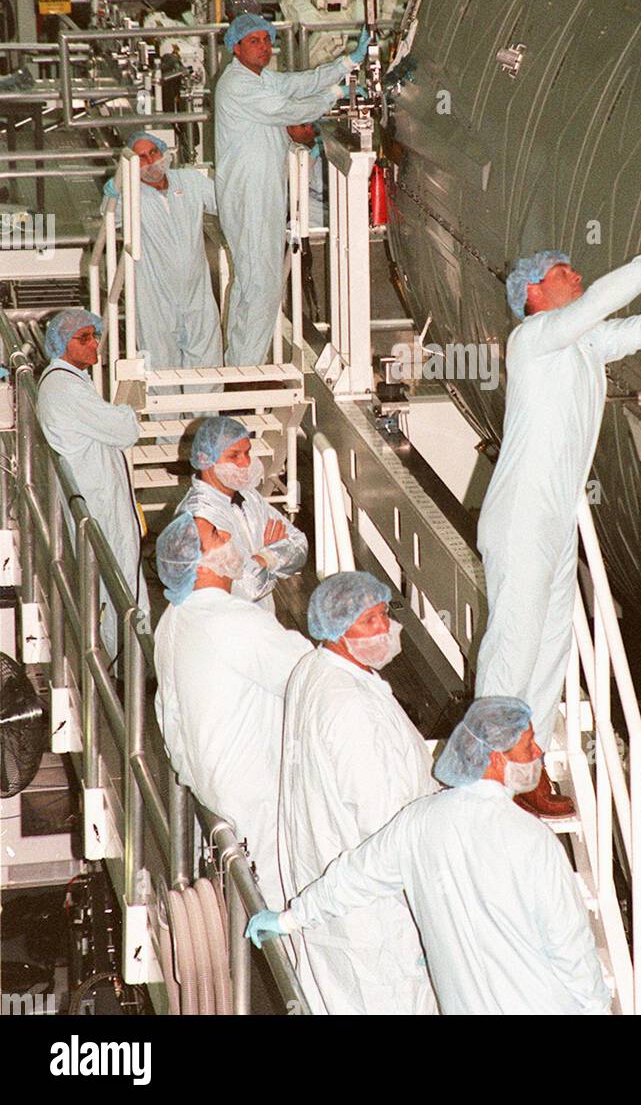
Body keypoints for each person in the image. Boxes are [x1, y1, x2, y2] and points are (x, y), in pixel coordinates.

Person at [475, 238, 641, 816]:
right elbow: (598, 306)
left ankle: (524, 772)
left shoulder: (578, 344)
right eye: (564, 271)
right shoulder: (533, 339)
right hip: (521, 518)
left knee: (552, 646)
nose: (577, 274)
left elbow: (633, 330)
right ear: (533, 293)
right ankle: (485, 770)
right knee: (514, 646)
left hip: (554, 519)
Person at [247, 697, 612, 1016]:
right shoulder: (533, 839)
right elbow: (571, 948)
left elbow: (353, 878)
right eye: (529, 745)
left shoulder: (419, 822)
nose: (539, 754)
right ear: (497, 759)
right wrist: (598, 1008)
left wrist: (290, 918)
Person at [278, 571, 439, 1015]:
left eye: (385, 614)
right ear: (338, 629)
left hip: (344, 901)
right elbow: (383, 825)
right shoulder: (348, 707)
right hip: (376, 917)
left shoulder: (319, 669)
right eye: (369, 620)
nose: (385, 628)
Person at [153, 511, 311, 909]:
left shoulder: (172, 621)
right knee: (289, 905)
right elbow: (307, 674)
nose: (228, 534)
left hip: (214, 787)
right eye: (215, 534)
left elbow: (166, 714)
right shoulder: (230, 620)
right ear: (201, 564)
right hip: (257, 796)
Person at [214, 12, 369, 366]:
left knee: (254, 282)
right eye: (254, 41)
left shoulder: (259, 79)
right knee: (261, 285)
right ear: (235, 48)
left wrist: (347, 62)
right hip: (249, 195)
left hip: (262, 193)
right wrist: (337, 93)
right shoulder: (237, 85)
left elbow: (299, 84)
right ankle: (245, 374)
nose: (264, 47)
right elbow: (290, 109)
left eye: (267, 40)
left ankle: (240, 365)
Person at [36, 308, 146, 662]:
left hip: (102, 497)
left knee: (122, 586)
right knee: (118, 590)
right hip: (99, 504)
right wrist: (129, 412)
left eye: (95, 336)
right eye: (83, 338)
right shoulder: (63, 388)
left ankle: (134, 662)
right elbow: (125, 430)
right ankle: (128, 668)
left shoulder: (72, 381)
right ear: (60, 345)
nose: (94, 343)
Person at [103, 131, 222, 373]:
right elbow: (108, 218)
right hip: (155, 299)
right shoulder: (130, 195)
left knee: (206, 364)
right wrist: (112, 194)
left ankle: (208, 412)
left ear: (163, 152)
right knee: (158, 369)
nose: (150, 162)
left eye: (153, 153)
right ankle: (165, 414)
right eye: (141, 158)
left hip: (196, 294)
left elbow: (226, 203)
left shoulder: (190, 181)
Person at [177, 415, 307, 614]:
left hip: (262, 619)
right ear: (205, 459)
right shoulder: (198, 516)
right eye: (234, 456)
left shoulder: (248, 496)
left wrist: (261, 560)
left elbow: (299, 544)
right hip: (223, 626)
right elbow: (247, 586)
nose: (245, 463)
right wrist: (271, 556)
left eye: (247, 453)